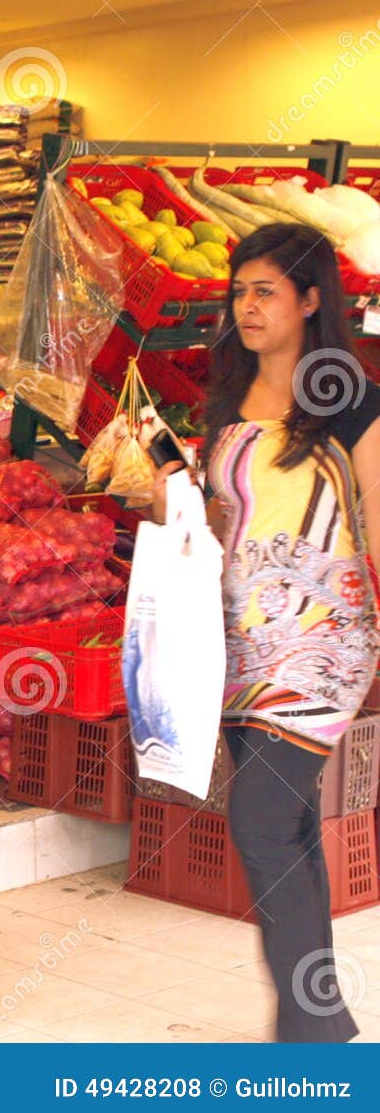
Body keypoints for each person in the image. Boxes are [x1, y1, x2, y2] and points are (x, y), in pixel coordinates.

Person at [153, 223, 380, 1043]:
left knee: (257, 818)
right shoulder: (228, 396)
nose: (245, 306)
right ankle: (320, 1015)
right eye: (238, 291)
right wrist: (176, 500)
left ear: (311, 300)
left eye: (265, 292)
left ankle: (311, 1031)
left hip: (325, 640)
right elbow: (222, 520)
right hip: (238, 642)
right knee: (285, 826)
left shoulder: (348, 395)